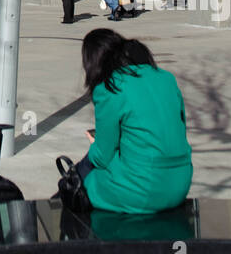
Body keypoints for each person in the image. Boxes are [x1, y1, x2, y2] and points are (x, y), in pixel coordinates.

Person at [75, 28, 192, 215]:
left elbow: (102, 155)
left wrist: (94, 146)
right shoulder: (167, 79)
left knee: (79, 180)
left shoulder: (109, 87)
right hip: (180, 182)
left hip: (140, 189)